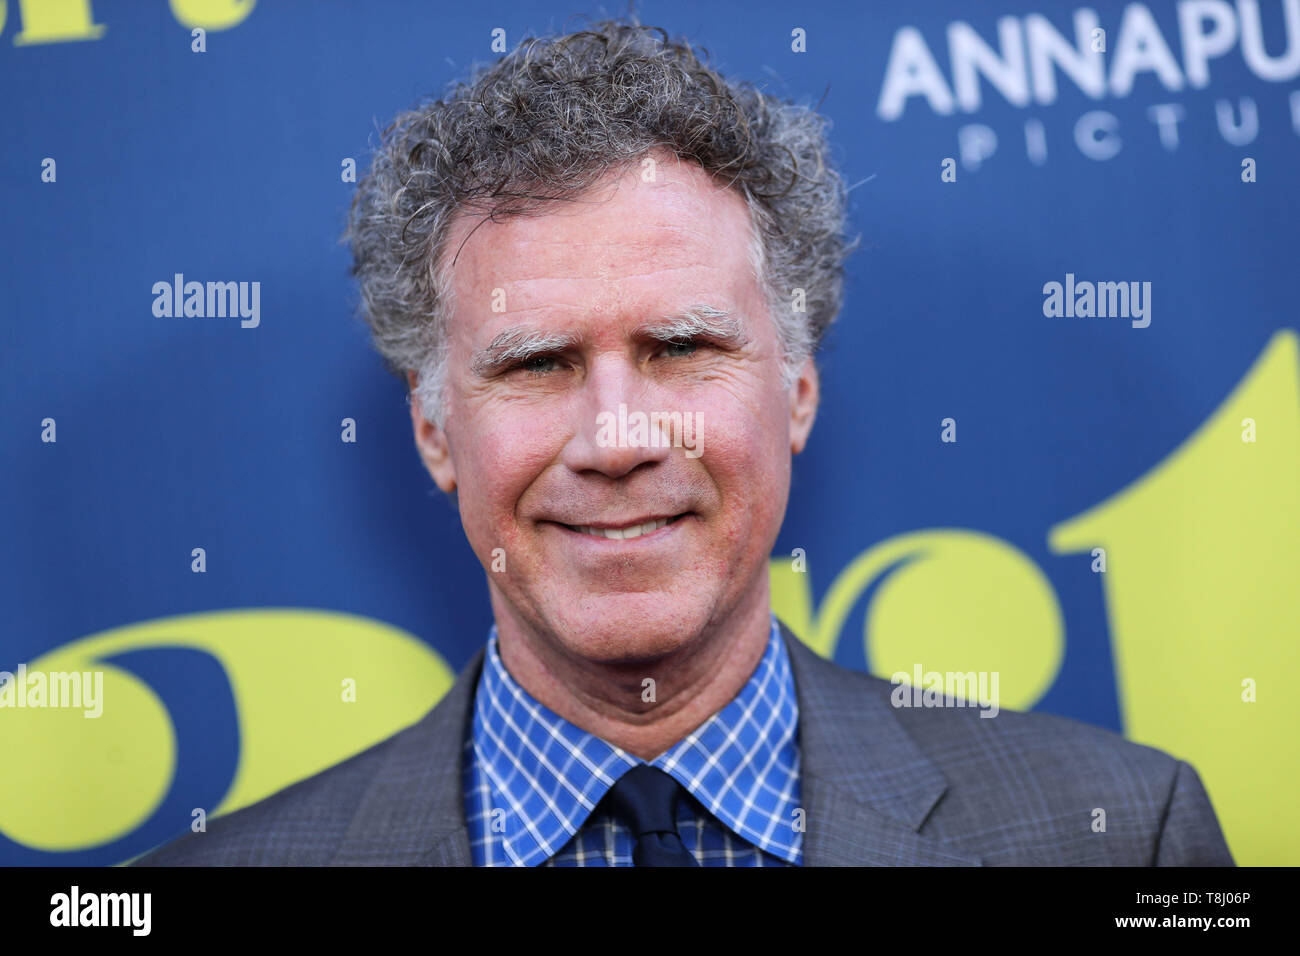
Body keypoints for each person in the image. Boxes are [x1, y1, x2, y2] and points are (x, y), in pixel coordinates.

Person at [134, 18, 1233, 867]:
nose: (616, 438)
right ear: (433, 430)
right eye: (535, 363)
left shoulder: (1119, 832)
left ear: (796, 391)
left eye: (679, 347)